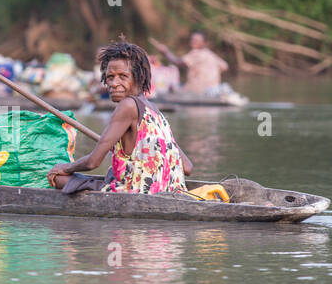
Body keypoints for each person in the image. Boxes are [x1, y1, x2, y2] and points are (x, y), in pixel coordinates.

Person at [47, 38, 193, 193]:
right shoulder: (155, 111)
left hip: (137, 193)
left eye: (123, 76)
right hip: (170, 190)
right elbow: (188, 167)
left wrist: (64, 167)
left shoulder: (128, 105)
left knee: (58, 178)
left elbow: (93, 162)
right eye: (110, 77)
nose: (113, 83)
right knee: (109, 173)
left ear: (139, 77)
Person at [173, 31, 231, 96]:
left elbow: (178, 62)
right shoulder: (211, 54)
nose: (193, 42)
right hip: (213, 89)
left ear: (204, 43)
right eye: (192, 39)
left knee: (172, 87)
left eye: (196, 40)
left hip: (197, 90)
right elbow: (225, 66)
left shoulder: (194, 53)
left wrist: (165, 52)